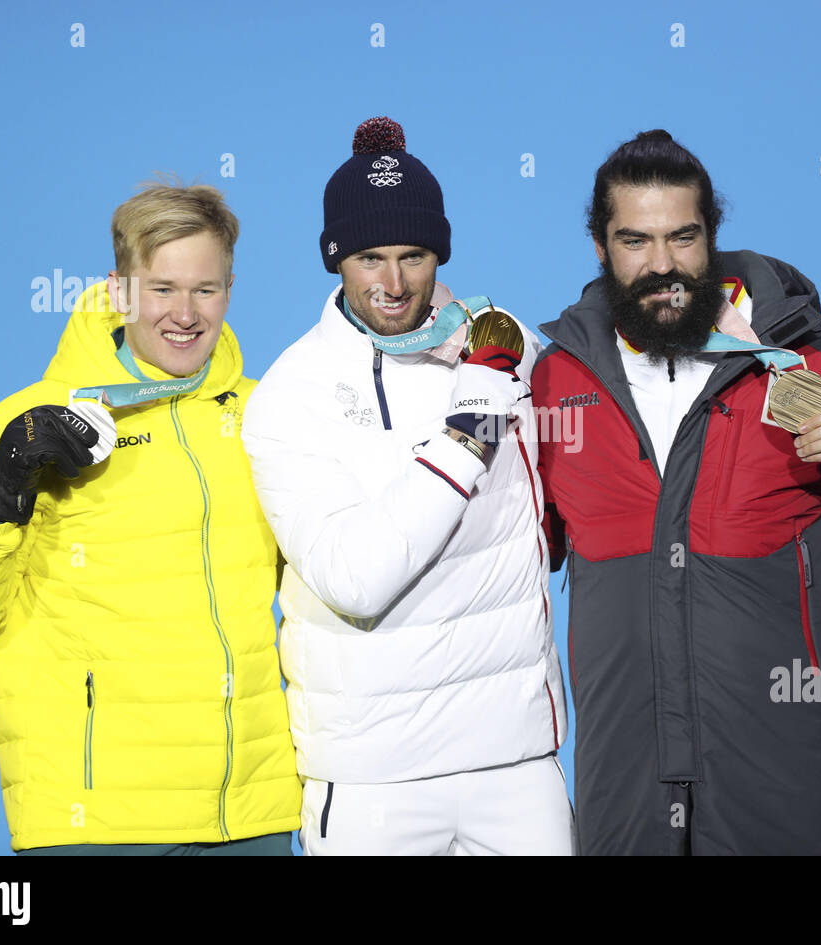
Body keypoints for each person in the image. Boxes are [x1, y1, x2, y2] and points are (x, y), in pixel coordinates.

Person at [531, 130, 821, 855]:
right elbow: (508, 555)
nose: (662, 264)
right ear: (600, 248)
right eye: (635, 240)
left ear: (711, 237)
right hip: (626, 793)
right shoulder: (555, 383)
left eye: (682, 237)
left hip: (792, 788)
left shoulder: (816, 364)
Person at [0, 182, 302, 854]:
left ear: (230, 290)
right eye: (162, 288)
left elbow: (331, 586)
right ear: (120, 290)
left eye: (205, 289)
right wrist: (0, 488)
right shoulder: (33, 419)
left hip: (248, 812)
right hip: (95, 817)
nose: (185, 313)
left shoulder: (263, 414)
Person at [242, 117, 572, 856]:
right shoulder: (291, 394)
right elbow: (356, 580)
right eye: (370, 258)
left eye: (412, 256)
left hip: (515, 760)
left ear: (438, 255)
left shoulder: (502, 344)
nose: (392, 284)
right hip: (373, 778)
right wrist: (470, 432)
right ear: (337, 259)